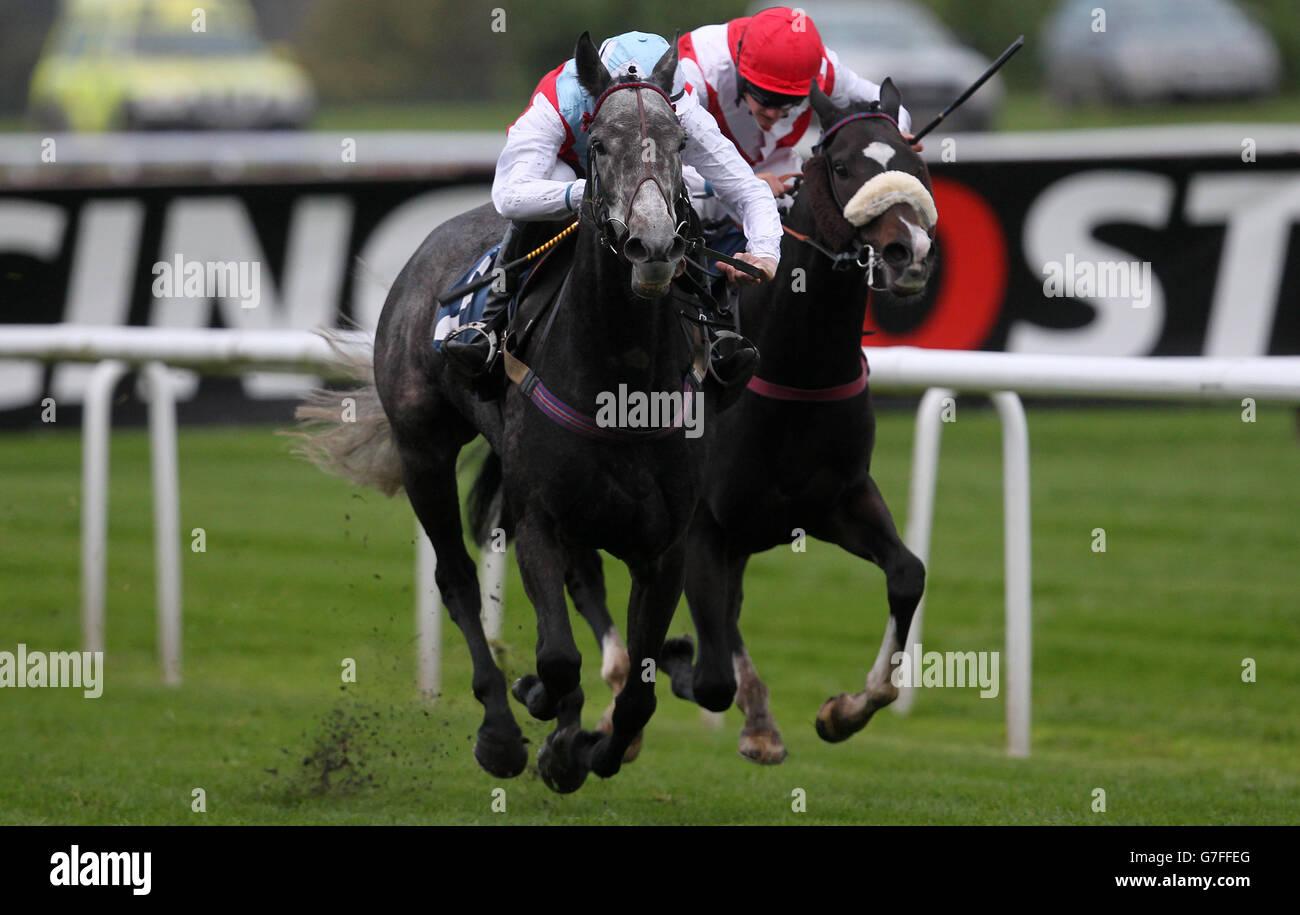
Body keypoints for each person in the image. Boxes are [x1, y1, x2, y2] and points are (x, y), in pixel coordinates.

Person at [443, 31, 782, 392]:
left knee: (675, 194)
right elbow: (509, 197)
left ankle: (716, 334)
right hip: (570, 174)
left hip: (643, 176)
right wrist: (591, 193)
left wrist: (764, 253)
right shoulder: (559, 98)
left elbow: (749, 189)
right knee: (544, 196)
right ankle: (488, 326)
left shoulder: (681, 106)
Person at [677, 5, 920, 228]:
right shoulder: (695, 69)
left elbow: (890, 108)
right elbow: (657, 159)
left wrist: (893, 135)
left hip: (771, 165)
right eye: (764, 96)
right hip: (691, 172)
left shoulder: (822, 69)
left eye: (790, 102)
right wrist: (739, 183)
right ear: (739, 68)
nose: (774, 113)